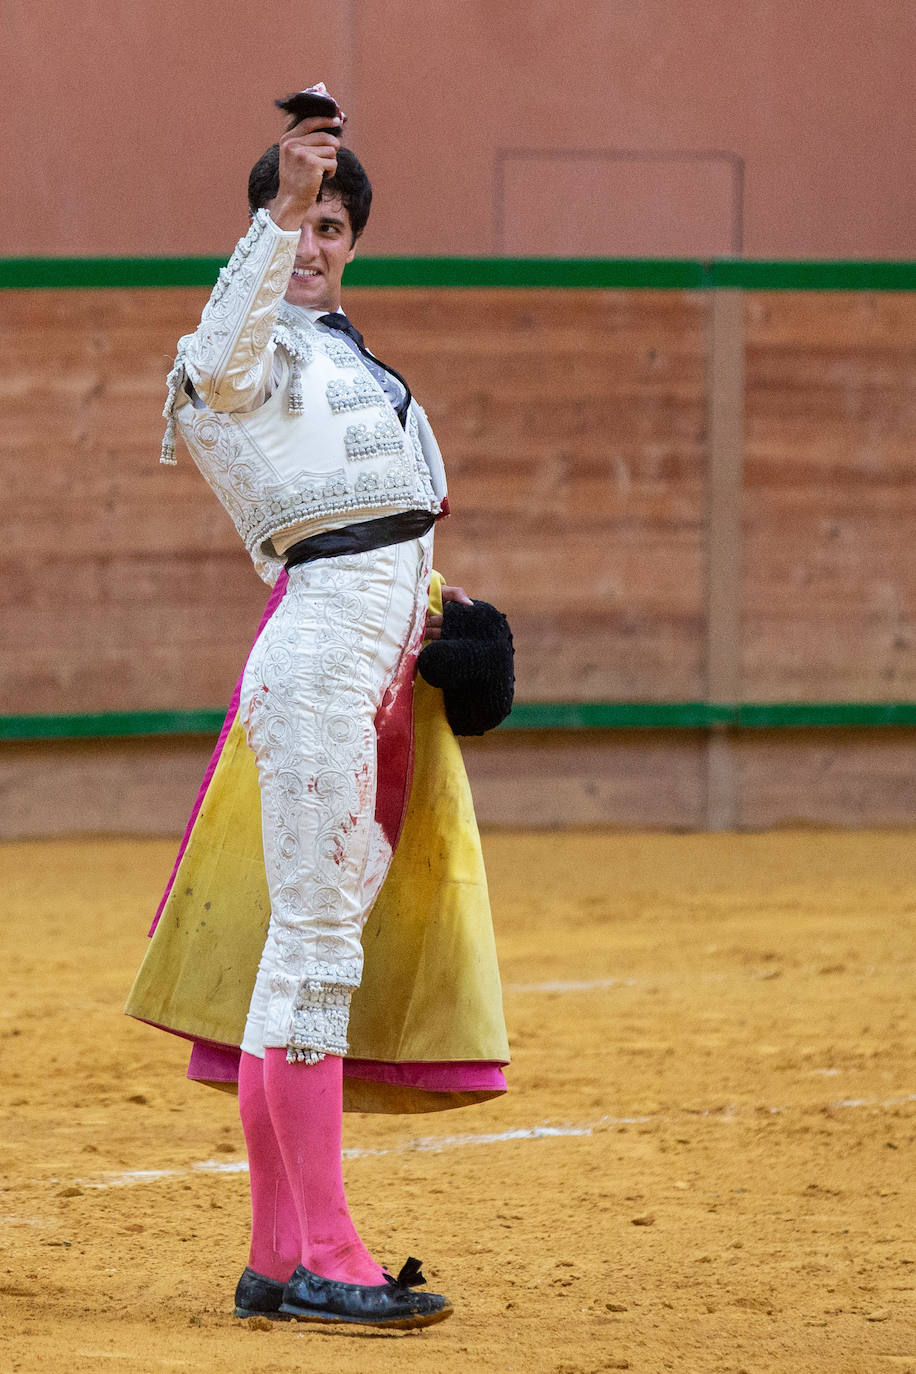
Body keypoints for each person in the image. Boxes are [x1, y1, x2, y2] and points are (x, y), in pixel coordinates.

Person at [154, 97, 475, 1330]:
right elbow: (229, 351)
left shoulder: (355, 364)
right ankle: (322, 1256)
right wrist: (279, 207)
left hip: (372, 663)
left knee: (306, 949)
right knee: (313, 952)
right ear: (262, 227)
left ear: (356, 242)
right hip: (321, 662)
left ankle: (279, 1249)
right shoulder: (237, 353)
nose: (315, 241)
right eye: (297, 221)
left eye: (333, 225)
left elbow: (398, 526)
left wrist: (458, 629)